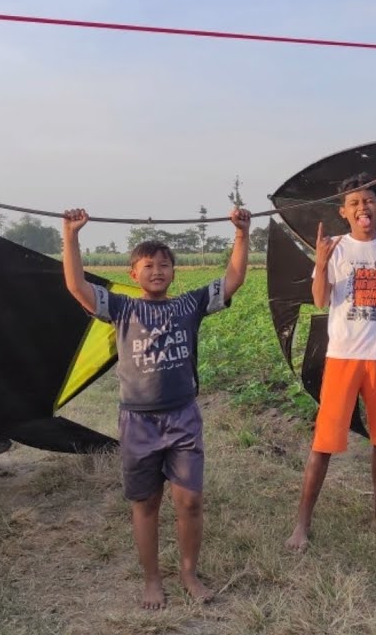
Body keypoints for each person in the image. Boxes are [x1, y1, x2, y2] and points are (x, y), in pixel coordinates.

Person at [61, 205, 251, 609]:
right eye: (148, 266)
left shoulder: (189, 306)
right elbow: (77, 286)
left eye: (164, 265)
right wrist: (72, 237)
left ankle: (188, 573)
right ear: (134, 274)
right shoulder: (123, 309)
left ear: (174, 273)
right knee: (146, 503)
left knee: (190, 501)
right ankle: (152, 579)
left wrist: (241, 235)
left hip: (183, 417)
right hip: (138, 422)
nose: (157, 271)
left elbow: (233, 279)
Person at [285, 174, 376, 551]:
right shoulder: (334, 248)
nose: (363, 208)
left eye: (369, 201)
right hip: (344, 357)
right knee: (324, 441)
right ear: (343, 212)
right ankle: (301, 523)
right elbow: (318, 300)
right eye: (355, 203)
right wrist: (321, 261)